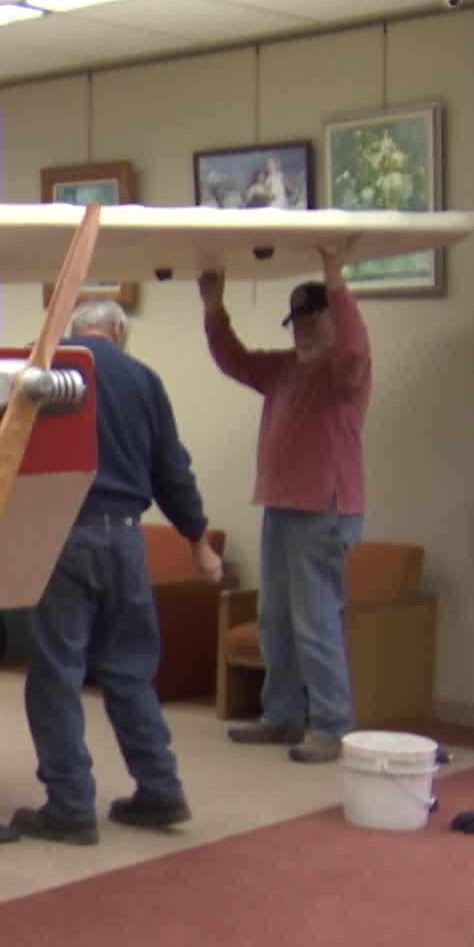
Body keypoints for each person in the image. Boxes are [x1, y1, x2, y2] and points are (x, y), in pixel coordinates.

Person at [13, 301, 222, 845]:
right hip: (128, 538)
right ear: (119, 332)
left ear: (75, 331)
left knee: (57, 671)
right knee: (130, 671)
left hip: (63, 533)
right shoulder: (144, 379)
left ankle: (70, 805)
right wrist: (198, 540)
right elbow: (172, 469)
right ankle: (160, 787)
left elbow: (11, 454)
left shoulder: (49, 373)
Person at [198, 238, 371, 764]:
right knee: (276, 617)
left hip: (324, 508)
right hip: (280, 503)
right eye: (296, 322)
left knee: (315, 620)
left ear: (331, 321)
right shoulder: (285, 369)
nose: (301, 330)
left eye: (311, 321)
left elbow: (354, 350)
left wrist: (335, 275)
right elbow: (235, 360)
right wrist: (213, 307)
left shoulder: (345, 372)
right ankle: (282, 716)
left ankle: (333, 725)